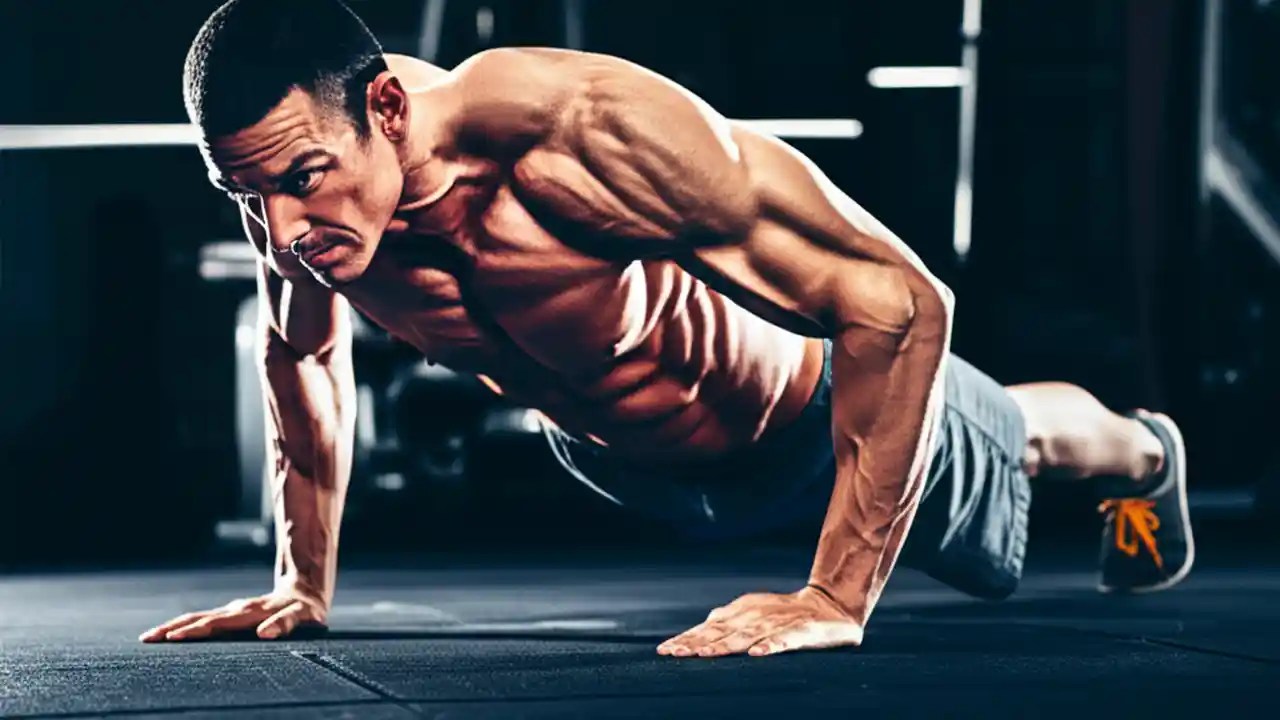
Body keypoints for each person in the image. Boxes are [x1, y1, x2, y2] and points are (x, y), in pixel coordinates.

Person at [141, 0, 1194, 657]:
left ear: (385, 107)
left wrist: (832, 595)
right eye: (245, 197)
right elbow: (301, 354)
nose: (279, 231)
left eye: (299, 179)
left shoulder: (578, 134)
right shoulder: (306, 213)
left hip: (808, 429)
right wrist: (301, 582)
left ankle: (1148, 457)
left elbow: (901, 302)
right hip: (634, 466)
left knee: (1021, 437)